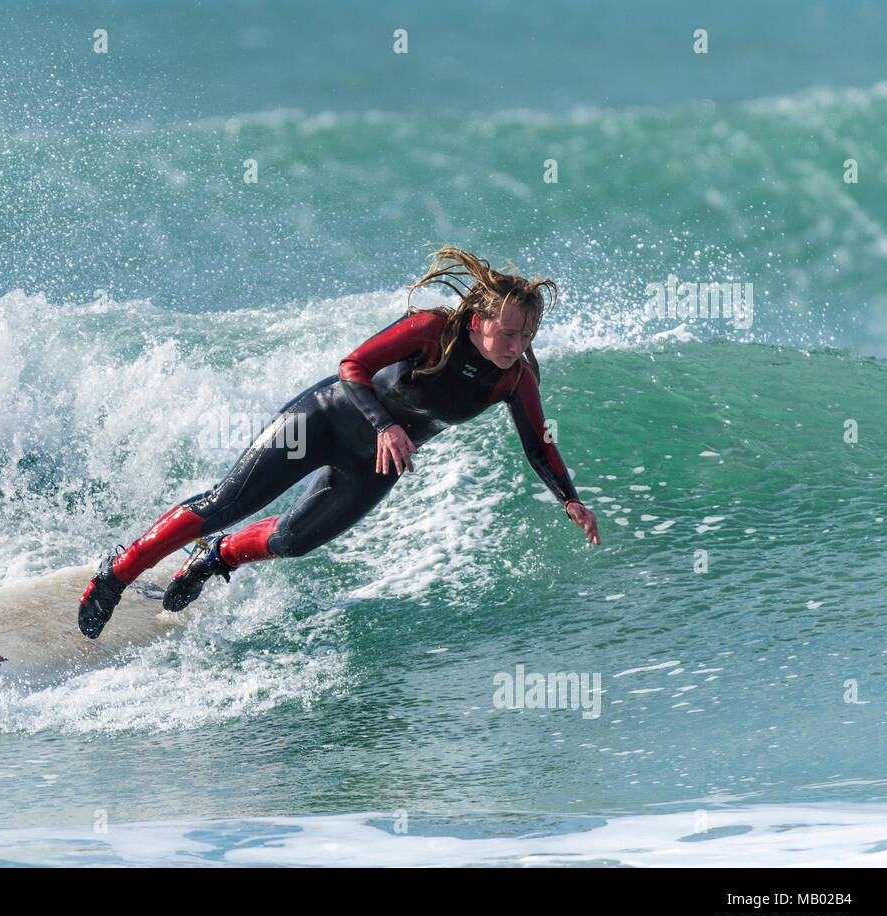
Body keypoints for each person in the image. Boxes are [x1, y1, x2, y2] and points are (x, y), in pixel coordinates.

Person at [78, 245, 601, 639]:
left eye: (526, 337)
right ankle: (119, 572)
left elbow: (539, 444)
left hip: (375, 463)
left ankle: (215, 559)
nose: (516, 346)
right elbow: (353, 366)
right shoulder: (433, 330)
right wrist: (386, 425)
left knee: (292, 541)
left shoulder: (515, 380)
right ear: (481, 321)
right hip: (325, 419)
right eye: (508, 334)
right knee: (225, 503)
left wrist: (570, 499)